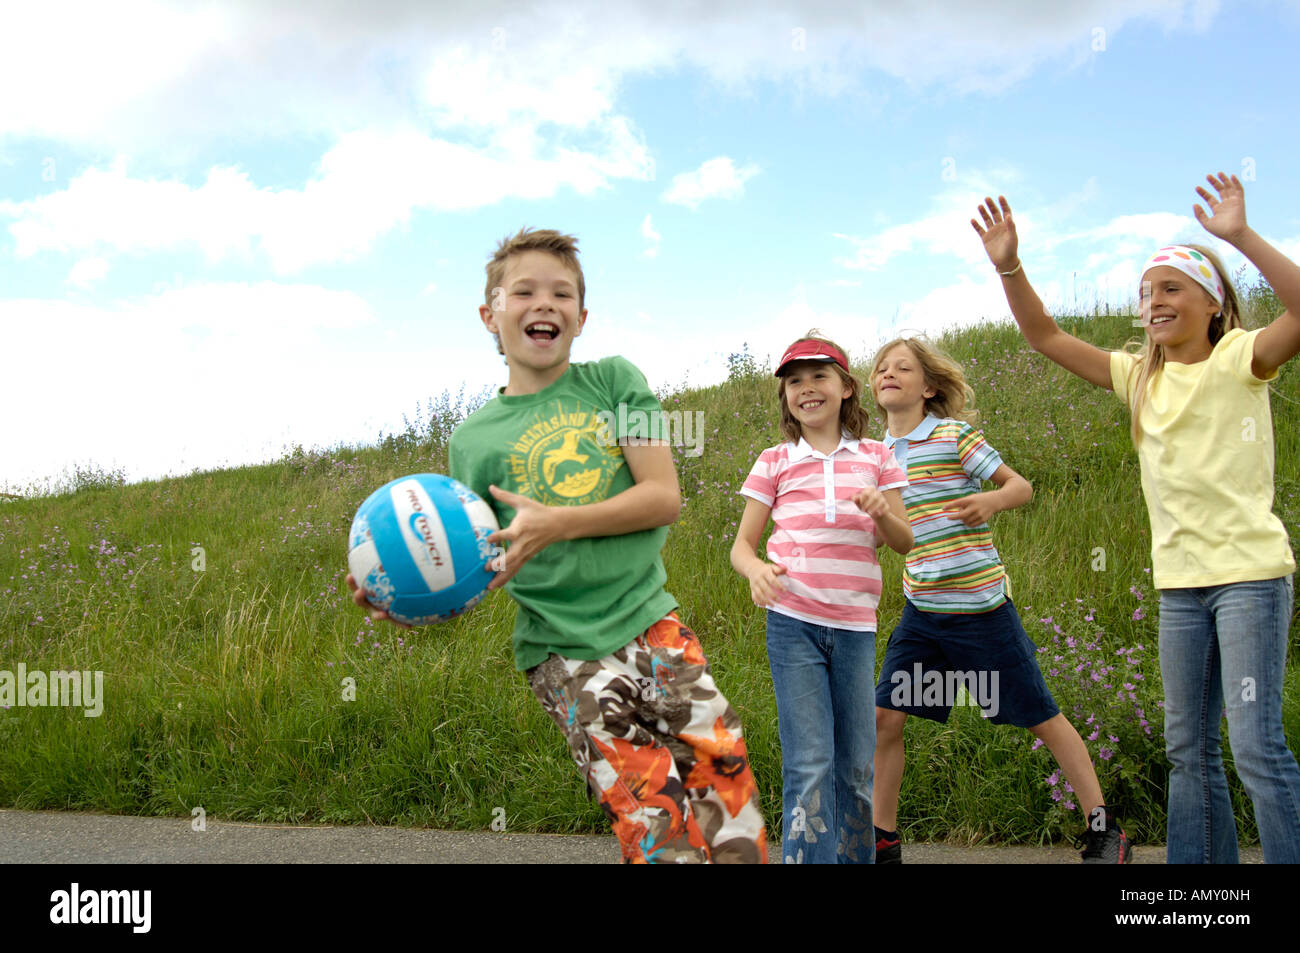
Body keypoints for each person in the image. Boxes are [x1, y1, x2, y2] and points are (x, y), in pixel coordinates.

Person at [351, 227, 766, 864]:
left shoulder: (615, 382)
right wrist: (408, 598)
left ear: (581, 317)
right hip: (565, 656)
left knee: (730, 805)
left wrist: (559, 521)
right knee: (659, 826)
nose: (544, 303)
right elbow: (485, 560)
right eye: (524, 291)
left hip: (657, 629)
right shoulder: (472, 441)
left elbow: (662, 497)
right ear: (490, 315)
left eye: (562, 293)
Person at [972, 172, 1300, 863]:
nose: (1153, 301)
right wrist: (1010, 264)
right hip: (1180, 587)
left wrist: (1238, 236)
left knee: (1255, 744)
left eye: (1171, 288)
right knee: (1188, 750)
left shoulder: (1241, 358)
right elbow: (1045, 336)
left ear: (1213, 304)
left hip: (1248, 579)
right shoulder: (1138, 376)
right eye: (1147, 292)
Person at [868, 335, 1131, 864]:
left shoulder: (952, 435)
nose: (888, 374)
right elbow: (887, 533)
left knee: (1040, 714)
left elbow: (1021, 487)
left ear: (929, 386)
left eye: (903, 368)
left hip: (982, 610)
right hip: (922, 612)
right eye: (880, 369)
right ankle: (883, 838)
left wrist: (990, 499)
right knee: (885, 719)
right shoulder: (875, 455)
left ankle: (1104, 830)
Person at [731, 334, 913, 863]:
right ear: (785, 397)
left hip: (856, 627)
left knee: (857, 765)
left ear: (846, 387)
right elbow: (742, 546)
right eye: (794, 381)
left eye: (819, 377)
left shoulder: (877, 456)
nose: (806, 389)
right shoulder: (775, 461)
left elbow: (904, 541)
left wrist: (882, 512)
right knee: (810, 761)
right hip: (794, 624)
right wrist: (756, 570)